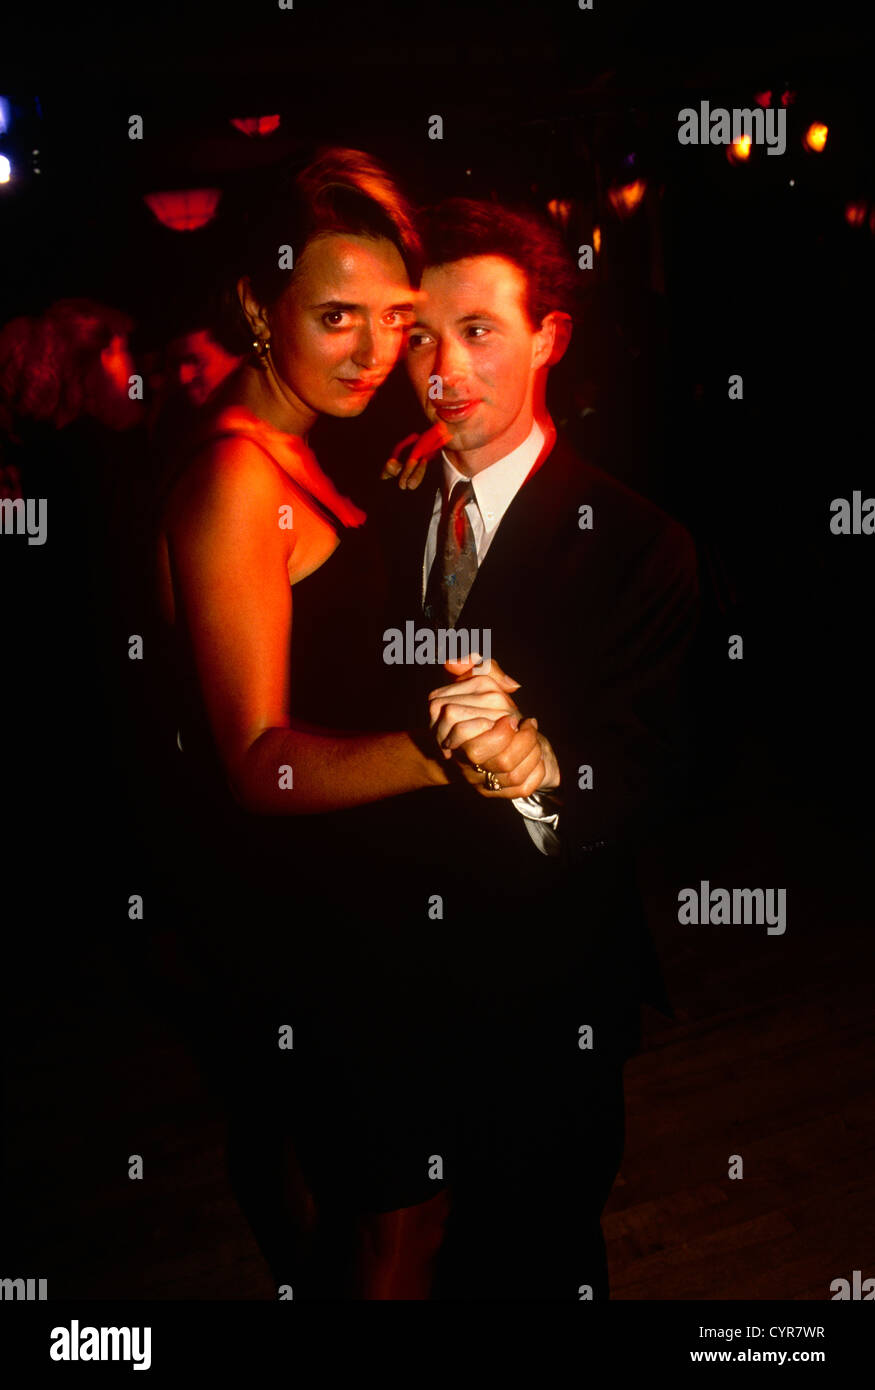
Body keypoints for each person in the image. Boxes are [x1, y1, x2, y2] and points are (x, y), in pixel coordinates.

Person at [150, 151, 542, 1299]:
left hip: (348, 900)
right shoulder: (233, 480)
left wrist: (402, 470)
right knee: (400, 1224)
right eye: (335, 317)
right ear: (254, 307)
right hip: (318, 921)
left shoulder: (290, 444)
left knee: (380, 1203)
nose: (376, 355)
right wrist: (437, 753)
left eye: (395, 320)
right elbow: (254, 765)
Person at [367, 197, 701, 1299]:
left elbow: (654, 768)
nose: (441, 367)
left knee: (540, 1248)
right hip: (393, 971)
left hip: (548, 984)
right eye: (419, 334)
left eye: (478, 331)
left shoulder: (638, 543)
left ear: (550, 334)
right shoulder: (384, 497)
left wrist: (545, 766)